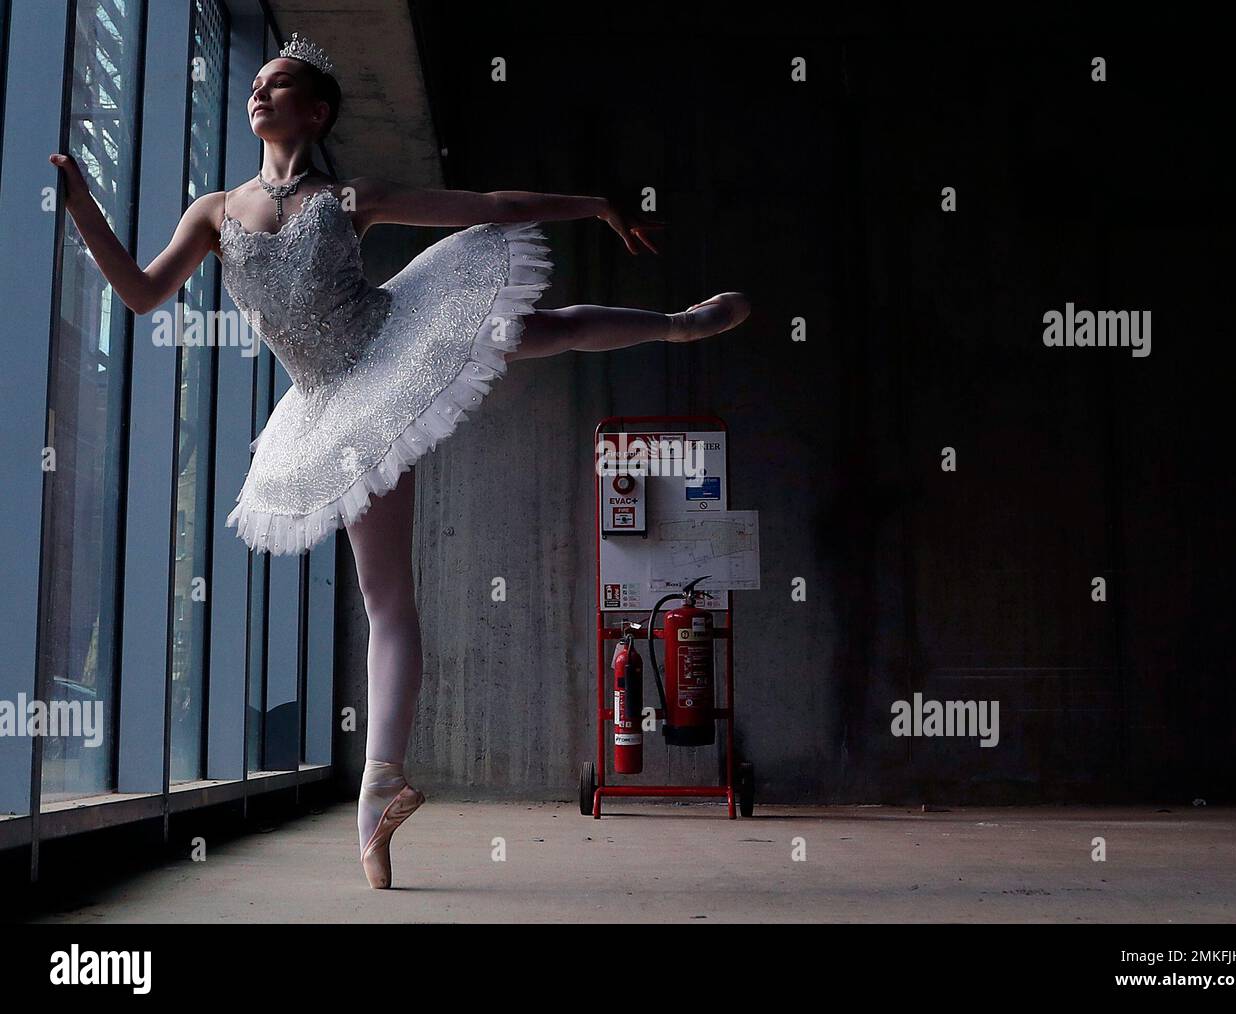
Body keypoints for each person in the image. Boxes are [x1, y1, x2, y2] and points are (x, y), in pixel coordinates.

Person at [49, 32, 750, 888]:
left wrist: (597, 202)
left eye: (280, 84)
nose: (260, 94)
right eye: (256, 84)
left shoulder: (350, 196)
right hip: (330, 405)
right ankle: (379, 791)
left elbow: (491, 204)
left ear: (317, 110)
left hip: (392, 345)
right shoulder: (213, 212)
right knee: (387, 599)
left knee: (541, 330)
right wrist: (85, 207)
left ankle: (676, 323)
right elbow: (142, 291)